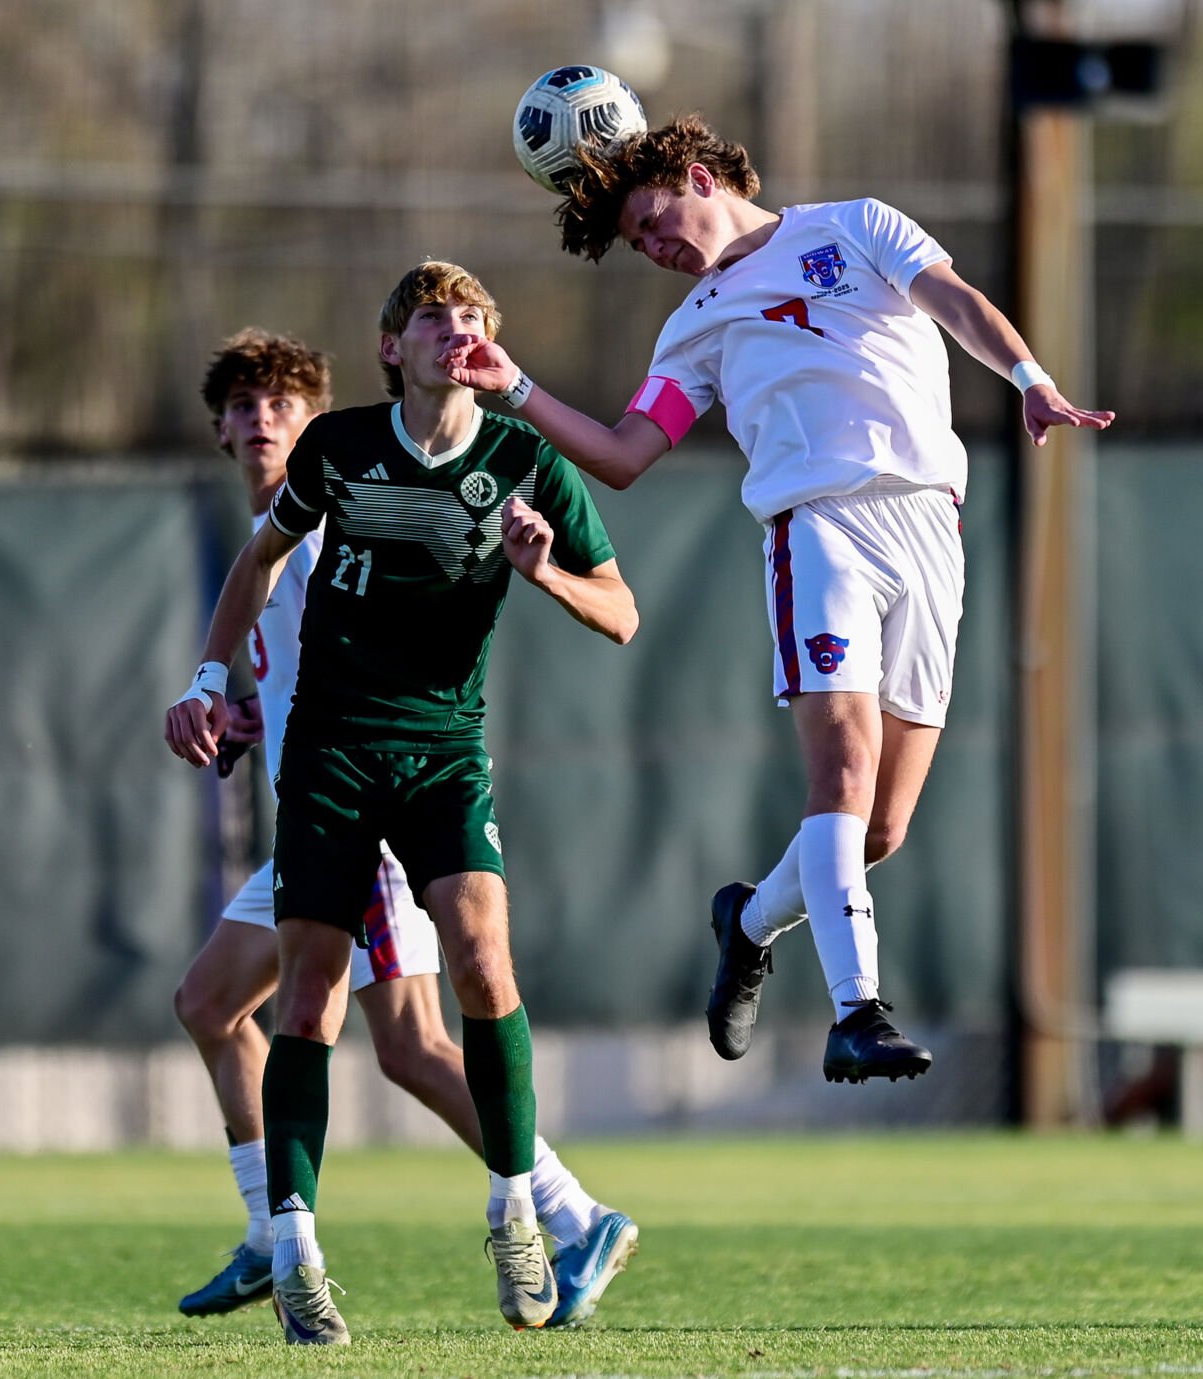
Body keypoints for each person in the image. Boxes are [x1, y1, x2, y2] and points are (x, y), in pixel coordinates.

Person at [443, 115, 1114, 1087]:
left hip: (929, 527)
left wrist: (1030, 377)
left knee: (880, 828)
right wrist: (518, 388)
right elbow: (627, 455)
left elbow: (954, 299)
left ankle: (748, 920)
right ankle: (857, 1011)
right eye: (639, 244)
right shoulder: (697, 323)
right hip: (818, 529)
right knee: (839, 771)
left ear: (702, 176)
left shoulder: (856, 226)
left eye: (653, 220)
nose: (656, 248)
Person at [164, 271, 639, 1341]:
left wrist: (544, 571)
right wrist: (223, 696)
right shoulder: (333, 470)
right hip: (324, 772)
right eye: (241, 407)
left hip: (424, 761)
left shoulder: (506, 464)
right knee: (241, 1006)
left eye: (278, 403)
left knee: (427, 1024)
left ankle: (551, 1209)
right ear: (393, 345)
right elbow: (268, 601)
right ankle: (280, 1232)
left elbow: (619, 606)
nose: (259, 422)